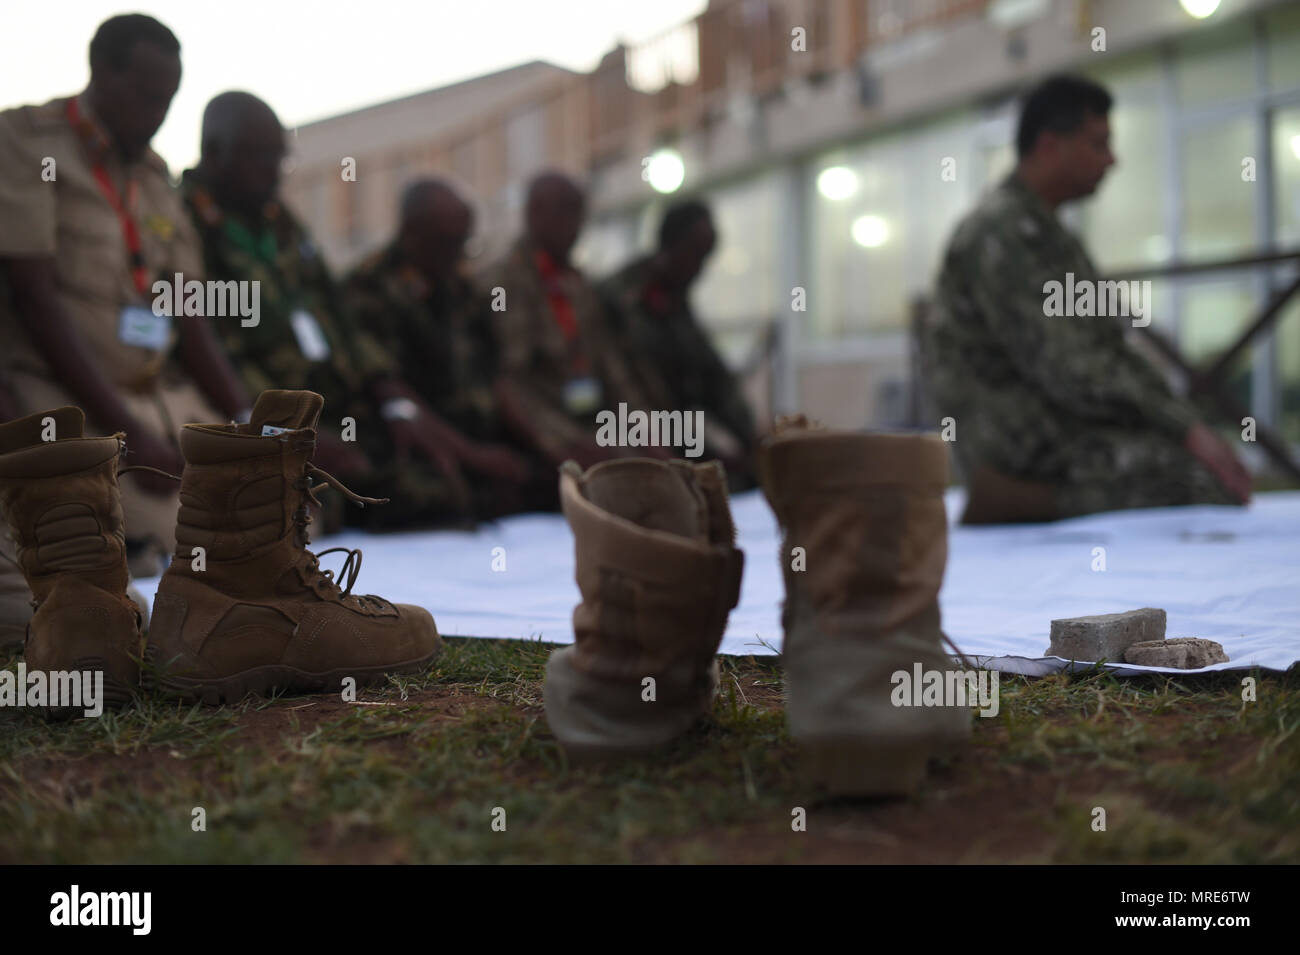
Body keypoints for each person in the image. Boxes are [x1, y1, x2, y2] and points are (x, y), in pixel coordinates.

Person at [181, 91, 520, 529]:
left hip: (341, 405)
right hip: (266, 418)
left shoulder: (277, 219)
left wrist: (395, 403)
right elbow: (207, 347)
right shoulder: (185, 223)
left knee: (463, 476)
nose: (274, 173)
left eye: (280, 159)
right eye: (260, 158)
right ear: (214, 152)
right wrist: (281, 430)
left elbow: (340, 317)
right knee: (391, 494)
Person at [926, 73, 1251, 523]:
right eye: (1098, 145)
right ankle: (1012, 499)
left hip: (1051, 422)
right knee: (1191, 477)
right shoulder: (1004, 231)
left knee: (1193, 464)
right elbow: (1069, 367)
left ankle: (1031, 504)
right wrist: (1184, 430)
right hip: (1016, 440)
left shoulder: (1044, 230)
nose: (1111, 160)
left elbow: (1106, 348)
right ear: (1049, 146)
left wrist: (1184, 422)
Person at [0, 13, 248, 598]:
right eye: (145, 95)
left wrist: (245, 422)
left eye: (168, 100)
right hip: (65, 399)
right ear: (99, 73)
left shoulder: (156, 177)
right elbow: (35, 300)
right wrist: (129, 431)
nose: (158, 113)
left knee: (271, 506)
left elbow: (191, 314)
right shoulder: (27, 142)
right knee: (170, 541)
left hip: (159, 398)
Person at [342, 178, 552, 516]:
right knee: (427, 497)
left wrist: (542, 445)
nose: (456, 253)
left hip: (477, 441)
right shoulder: (369, 289)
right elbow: (388, 390)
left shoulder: (461, 288)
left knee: (549, 479)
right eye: (446, 242)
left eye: (462, 242)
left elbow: (496, 378)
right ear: (411, 231)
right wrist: (476, 457)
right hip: (412, 445)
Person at [481, 171, 665, 469]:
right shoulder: (501, 286)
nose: (577, 226)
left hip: (590, 426)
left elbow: (612, 370)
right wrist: (564, 443)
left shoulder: (579, 284)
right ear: (534, 212)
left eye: (580, 214)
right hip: (541, 443)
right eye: (566, 212)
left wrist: (647, 434)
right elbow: (509, 381)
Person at [599, 200, 756, 485]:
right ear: (670, 245)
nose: (700, 268)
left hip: (678, 438)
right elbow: (618, 386)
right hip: (629, 444)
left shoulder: (677, 304)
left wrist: (752, 439)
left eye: (706, 257)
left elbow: (713, 380)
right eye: (695, 254)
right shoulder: (617, 299)